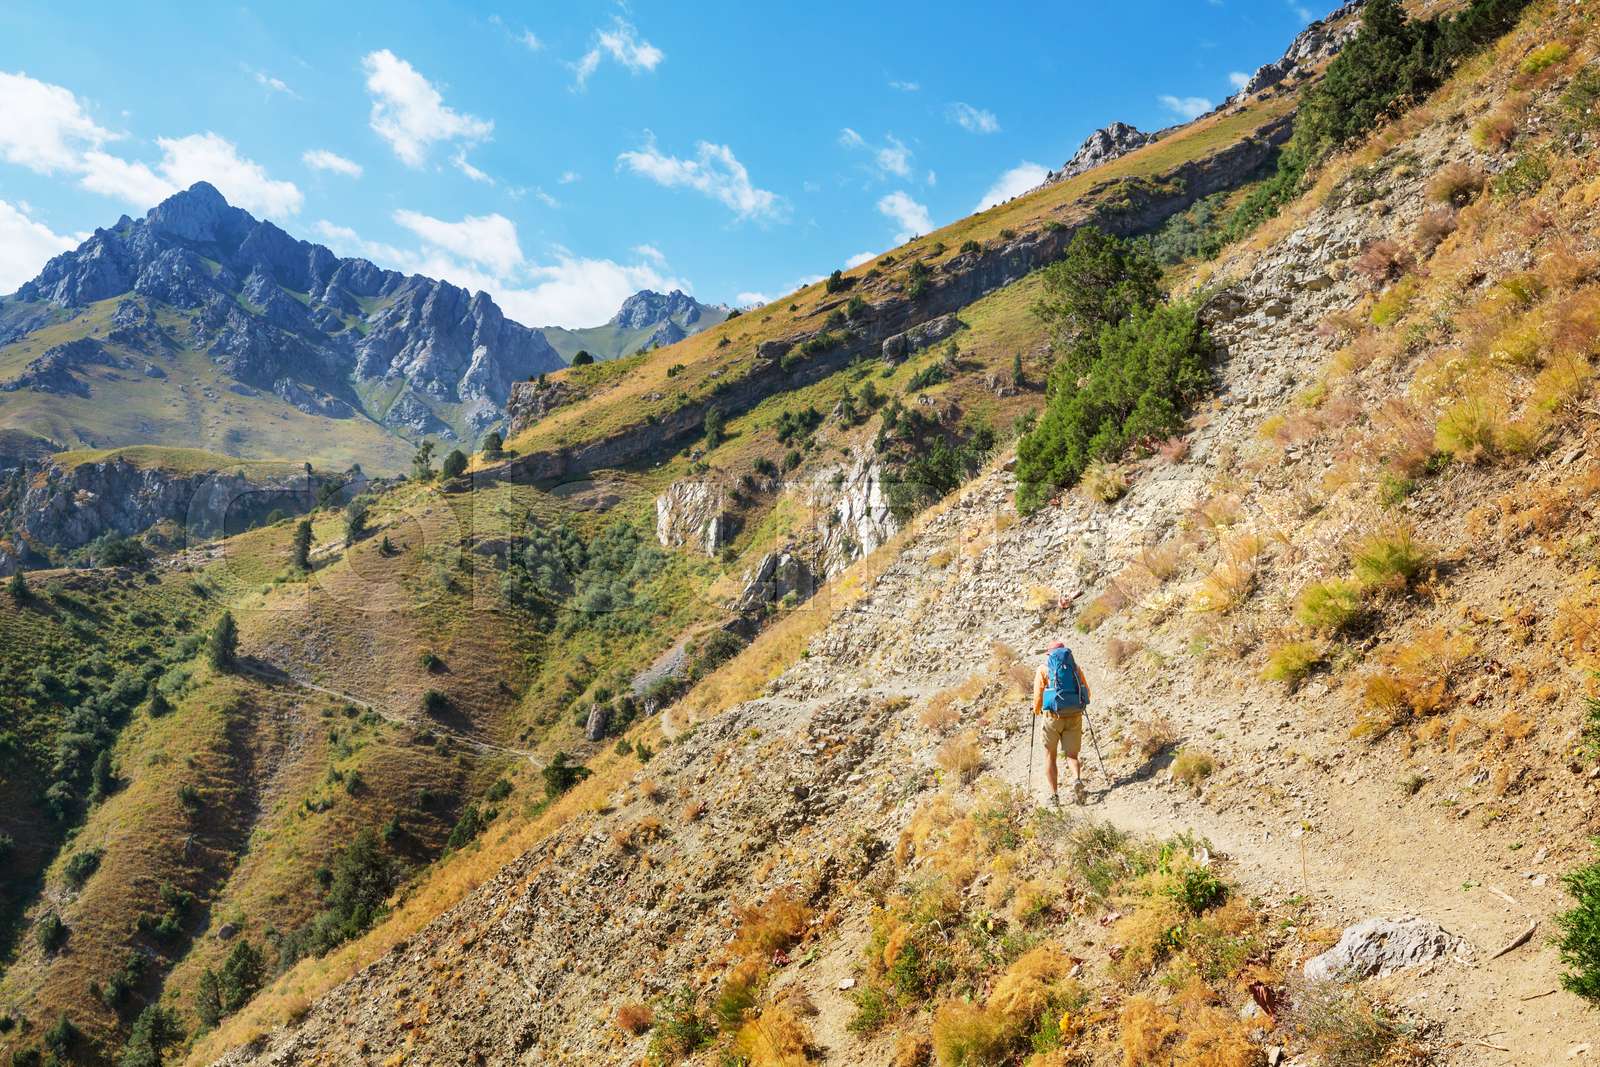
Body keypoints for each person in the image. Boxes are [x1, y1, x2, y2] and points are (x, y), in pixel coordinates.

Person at [1032, 641, 1091, 806]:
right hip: (1074, 715)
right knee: (1072, 755)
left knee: (1050, 755)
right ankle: (1076, 779)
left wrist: (1036, 710)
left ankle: (1054, 796)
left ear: (1049, 654)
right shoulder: (1075, 669)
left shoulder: (1043, 669)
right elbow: (1087, 692)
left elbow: (1038, 696)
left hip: (1053, 717)